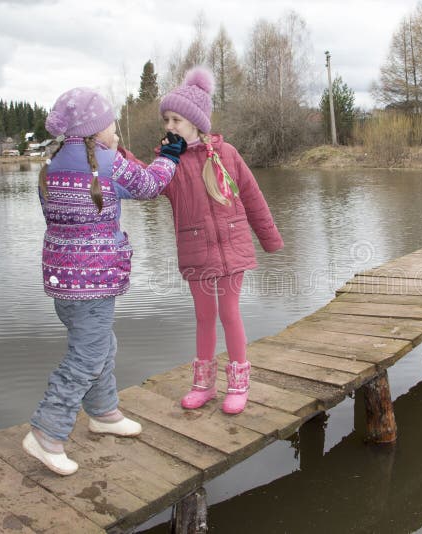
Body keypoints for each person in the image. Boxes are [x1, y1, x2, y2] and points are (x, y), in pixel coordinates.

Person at [24, 87, 187, 475]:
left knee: (99, 344)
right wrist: (170, 155)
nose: (117, 132)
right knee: (87, 355)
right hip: (92, 283)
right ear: (97, 132)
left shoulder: (52, 164)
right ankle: (47, 433)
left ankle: (103, 412)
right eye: (113, 125)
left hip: (63, 284)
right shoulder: (108, 164)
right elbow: (149, 185)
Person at [159, 67, 283, 415]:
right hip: (196, 248)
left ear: (197, 122)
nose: (169, 126)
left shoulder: (227, 153)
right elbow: (147, 184)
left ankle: (239, 383)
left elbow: (253, 196)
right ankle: (203, 385)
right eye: (166, 120)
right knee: (203, 315)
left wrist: (269, 239)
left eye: (176, 120)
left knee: (229, 313)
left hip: (233, 246)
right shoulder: (171, 161)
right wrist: (120, 159)